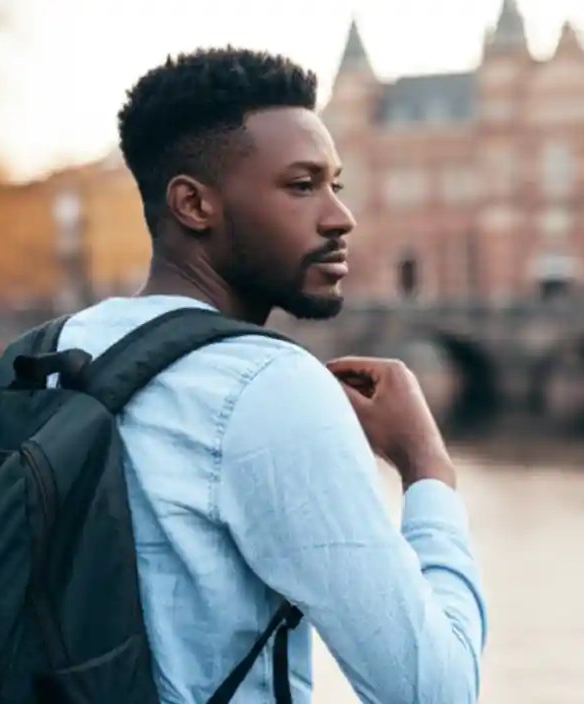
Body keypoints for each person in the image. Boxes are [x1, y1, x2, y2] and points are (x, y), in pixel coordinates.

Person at [49, 46, 487, 702]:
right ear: (194, 205)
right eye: (302, 186)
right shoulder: (267, 389)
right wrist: (427, 467)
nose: (342, 217)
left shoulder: (45, 355)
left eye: (336, 184)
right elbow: (433, 692)